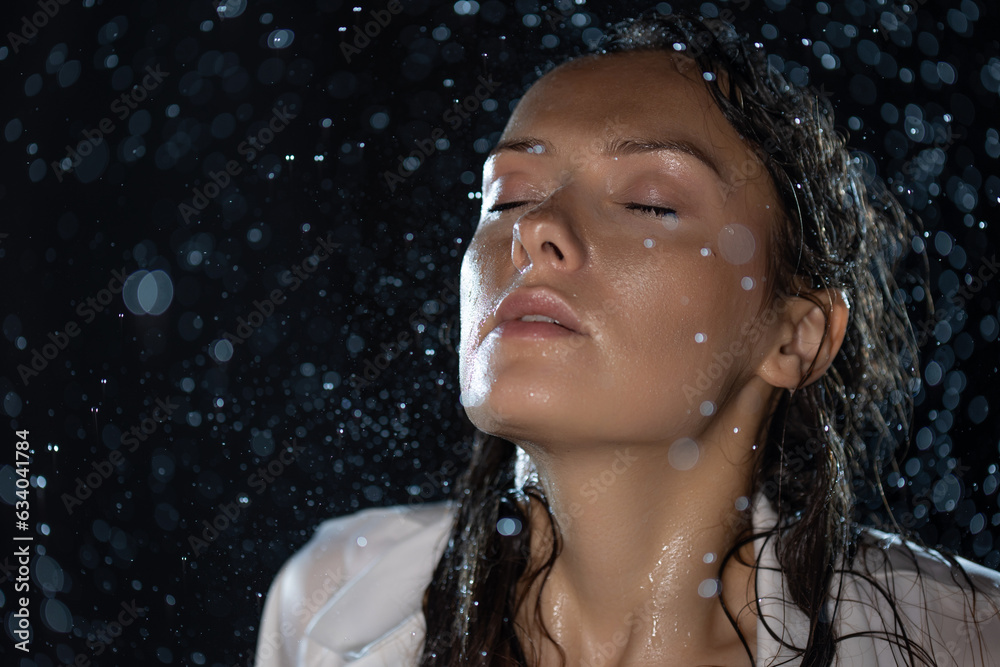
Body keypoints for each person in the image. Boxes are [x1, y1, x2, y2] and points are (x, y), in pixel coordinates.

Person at [253, 9, 1000, 667]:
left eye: (648, 203)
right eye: (507, 195)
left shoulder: (972, 639)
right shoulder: (326, 602)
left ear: (797, 337)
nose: (533, 230)